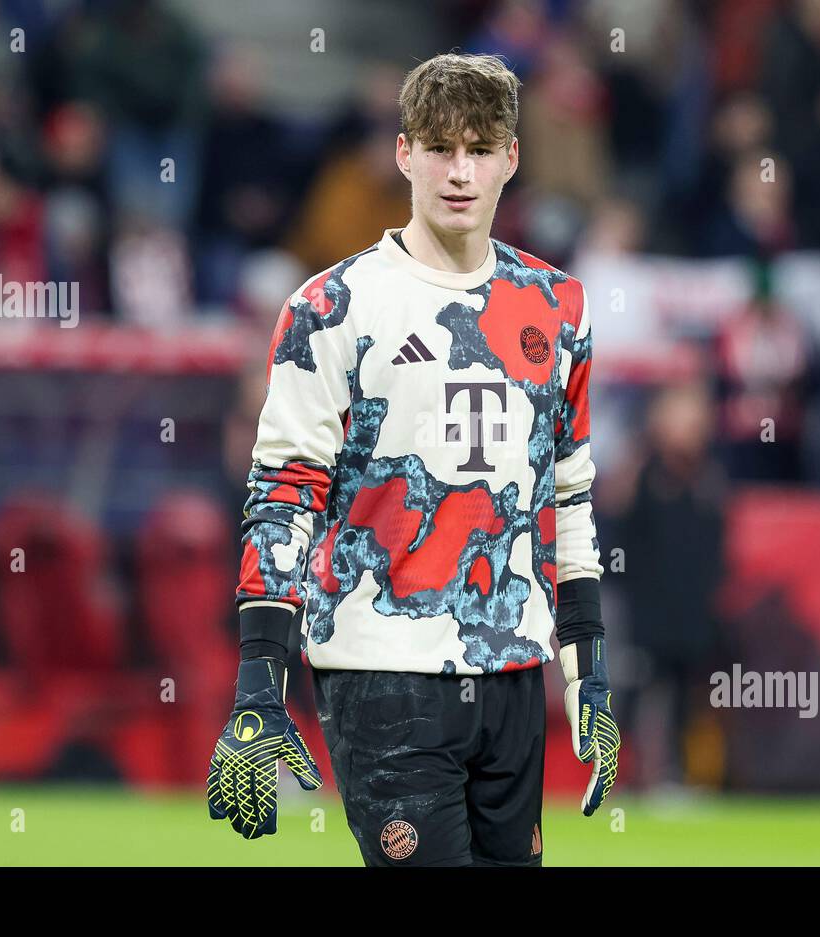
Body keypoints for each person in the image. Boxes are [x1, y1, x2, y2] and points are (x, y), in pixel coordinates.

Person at [206, 52, 620, 867]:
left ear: (512, 157)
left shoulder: (558, 306)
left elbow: (568, 500)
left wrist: (588, 671)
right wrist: (260, 678)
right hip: (379, 667)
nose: (458, 171)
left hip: (512, 664)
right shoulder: (330, 307)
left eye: (479, 148)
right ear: (403, 154)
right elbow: (281, 494)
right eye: (439, 147)